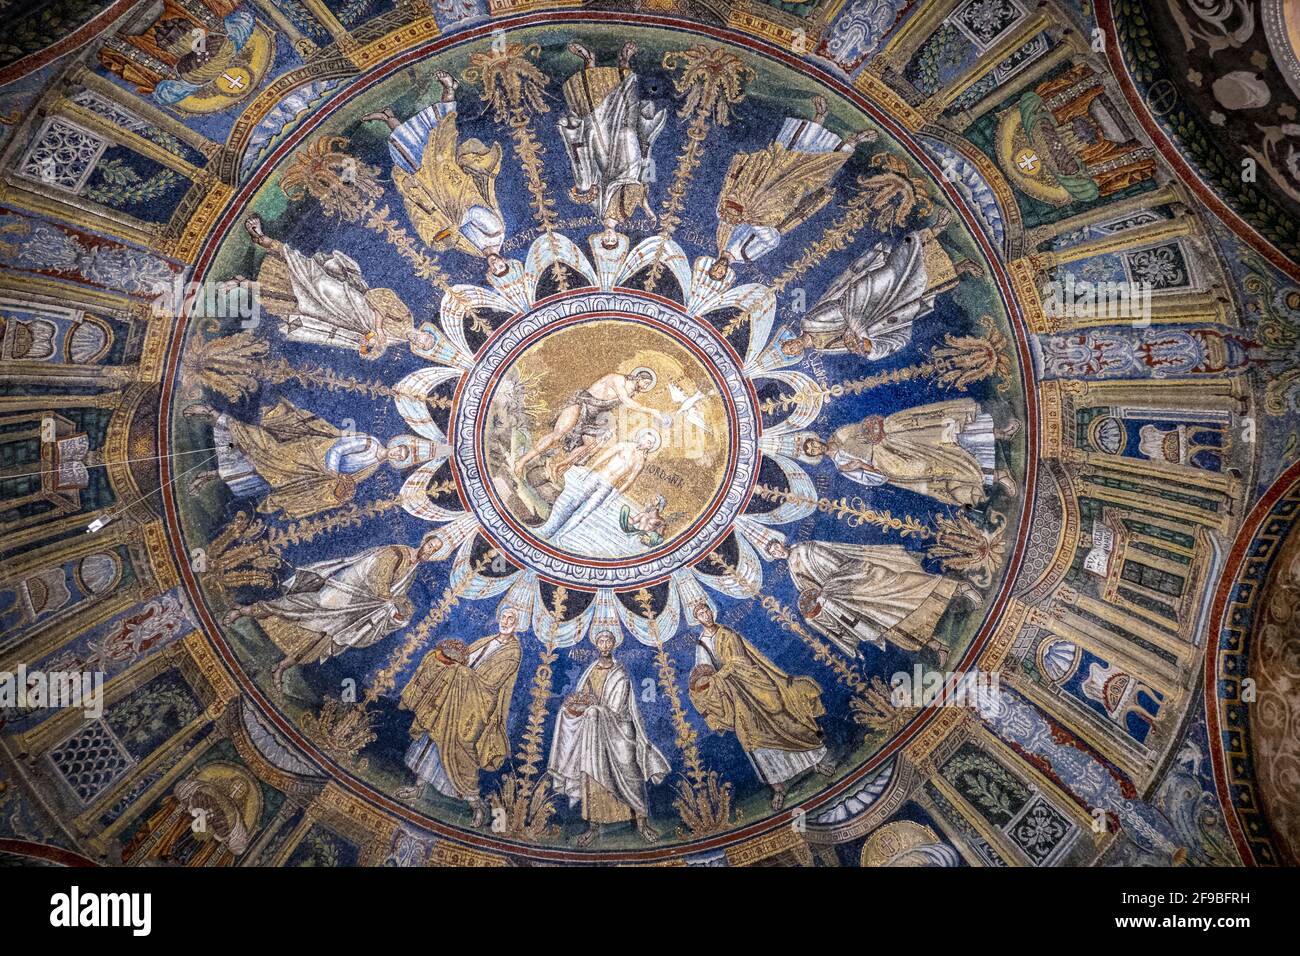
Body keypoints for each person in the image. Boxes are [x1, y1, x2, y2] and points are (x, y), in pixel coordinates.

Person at [225, 532, 442, 688]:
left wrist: (403, 610)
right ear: (424, 542)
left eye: (434, 551)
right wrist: (390, 599)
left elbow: (399, 593)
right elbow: (378, 580)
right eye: (430, 546)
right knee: (307, 604)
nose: (429, 551)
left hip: (362, 608)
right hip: (348, 591)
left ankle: (282, 666)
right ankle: (244, 611)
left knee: (325, 638)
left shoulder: (413, 570)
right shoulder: (396, 553)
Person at [710, 95, 874, 279]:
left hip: (758, 187)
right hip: (775, 204)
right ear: (726, 273)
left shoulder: (721, 239)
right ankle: (854, 141)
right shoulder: (746, 255)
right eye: (721, 273)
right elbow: (772, 241)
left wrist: (726, 209)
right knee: (810, 172)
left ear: (713, 264)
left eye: (715, 269)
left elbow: (725, 211)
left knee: (785, 153)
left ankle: (819, 118)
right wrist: (754, 222)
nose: (719, 269)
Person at [688, 603, 832, 810]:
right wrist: (703, 684)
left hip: (754, 684)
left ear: (712, 612)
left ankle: (815, 762)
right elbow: (703, 671)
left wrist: (720, 674)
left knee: (784, 717)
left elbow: (739, 660)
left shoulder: (727, 634)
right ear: (697, 619)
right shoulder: (701, 644)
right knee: (752, 738)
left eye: (707, 611)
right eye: (700, 613)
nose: (705, 615)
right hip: (735, 695)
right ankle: (778, 787)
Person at [363, 70, 507, 272]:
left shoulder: (476, 250)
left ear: (490, 269)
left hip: (438, 198)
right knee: (440, 140)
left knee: (411, 159)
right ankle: (449, 89)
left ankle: (388, 118)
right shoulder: (496, 232)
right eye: (501, 265)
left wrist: (443, 239)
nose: (495, 264)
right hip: (453, 187)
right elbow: (475, 212)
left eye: (495, 268)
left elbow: (453, 239)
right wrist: (455, 225)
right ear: (504, 260)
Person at [397, 605, 523, 826]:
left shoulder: (513, 652)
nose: (505, 621)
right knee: (433, 738)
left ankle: (476, 805)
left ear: (518, 624)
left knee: (462, 748)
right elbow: (466, 660)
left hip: (476, 704)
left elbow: (490, 683)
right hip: (455, 695)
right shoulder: (487, 639)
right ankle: (418, 788)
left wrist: (459, 671)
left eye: (511, 618)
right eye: (503, 616)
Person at [766, 538, 979, 663]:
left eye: (775, 546)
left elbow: (836, 565)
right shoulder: (791, 569)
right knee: (885, 624)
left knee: (905, 586)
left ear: (780, 542)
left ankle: (960, 587)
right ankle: (937, 647)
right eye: (773, 552)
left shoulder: (806, 549)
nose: (777, 551)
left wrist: (828, 589)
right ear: (773, 557)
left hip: (857, 579)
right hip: (846, 598)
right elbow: (810, 591)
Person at [548, 630, 670, 845]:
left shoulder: (619, 673)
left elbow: (616, 707)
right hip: (594, 733)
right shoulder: (590, 671)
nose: (604, 644)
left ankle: (641, 823)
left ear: (614, 644)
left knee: (631, 773)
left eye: (608, 640)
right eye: (601, 640)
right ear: (596, 644)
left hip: (619, 730)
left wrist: (592, 708)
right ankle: (593, 827)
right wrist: (572, 708)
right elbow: (582, 698)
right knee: (593, 776)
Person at [243, 215, 415, 359]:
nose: (420, 340)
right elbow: (382, 297)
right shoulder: (406, 318)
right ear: (425, 330)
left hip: (347, 321)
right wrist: (378, 327)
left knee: (307, 304)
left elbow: (369, 345)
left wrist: (366, 346)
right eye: (426, 338)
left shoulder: (396, 341)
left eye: (422, 345)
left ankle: (249, 282)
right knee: (318, 280)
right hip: (356, 303)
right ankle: (264, 240)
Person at [801, 399, 1019, 505]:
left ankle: (1000, 433)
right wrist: (861, 465)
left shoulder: (840, 434)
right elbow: (874, 479)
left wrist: (874, 429)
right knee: (941, 466)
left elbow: (865, 426)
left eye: (812, 444)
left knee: (942, 430)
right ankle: (997, 475)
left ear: (815, 439)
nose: (814, 447)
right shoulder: (841, 466)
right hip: (891, 463)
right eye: (811, 451)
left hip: (895, 435)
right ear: (815, 456)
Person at [558, 41, 665, 248]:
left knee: (595, 122)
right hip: (630, 169)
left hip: (604, 164)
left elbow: (587, 186)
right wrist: (650, 212)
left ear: (600, 238)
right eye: (612, 241)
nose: (608, 238)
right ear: (618, 239)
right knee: (627, 128)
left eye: (605, 241)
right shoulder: (625, 216)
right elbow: (641, 192)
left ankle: (589, 62)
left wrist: (581, 191)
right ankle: (624, 62)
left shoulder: (599, 212)